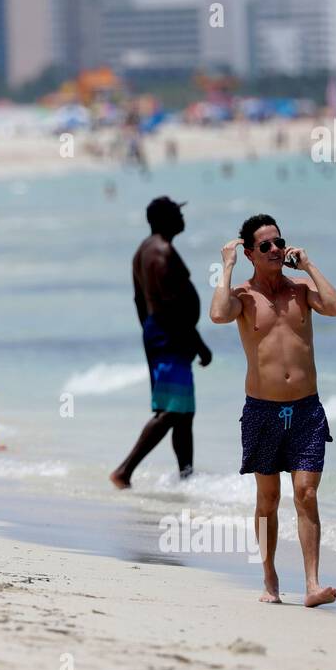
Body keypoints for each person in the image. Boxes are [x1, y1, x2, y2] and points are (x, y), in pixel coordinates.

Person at [209, 214, 336, 608]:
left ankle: (313, 584)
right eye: (265, 246)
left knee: (306, 493)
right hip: (263, 411)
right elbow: (218, 314)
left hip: (306, 410)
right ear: (251, 252)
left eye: (278, 242)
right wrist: (228, 266)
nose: (274, 250)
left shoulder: (301, 290)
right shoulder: (244, 297)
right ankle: (269, 575)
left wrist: (309, 265)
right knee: (268, 498)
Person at [110, 197, 211, 487]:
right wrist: (198, 342)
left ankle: (187, 478)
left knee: (184, 412)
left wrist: (150, 332)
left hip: (159, 332)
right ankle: (124, 471)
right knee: (172, 409)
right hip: (170, 333)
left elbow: (139, 300)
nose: (182, 216)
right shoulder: (161, 253)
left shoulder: (142, 251)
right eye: (177, 212)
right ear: (165, 219)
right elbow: (171, 306)